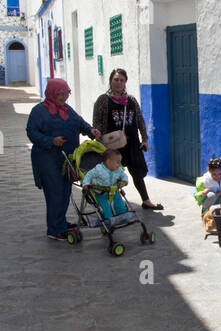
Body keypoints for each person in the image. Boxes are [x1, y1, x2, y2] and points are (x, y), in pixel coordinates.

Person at [26, 78, 100, 241]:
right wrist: (51, 141)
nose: (63, 97)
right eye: (60, 94)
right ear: (52, 93)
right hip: (47, 160)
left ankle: (60, 222)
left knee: (65, 192)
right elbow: (32, 132)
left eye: (66, 93)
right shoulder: (39, 111)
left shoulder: (66, 109)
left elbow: (79, 123)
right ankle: (54, 229)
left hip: (67, 160)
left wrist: (91, 130)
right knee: (55, 193)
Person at [93, 68, 162, 210]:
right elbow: (97, 122)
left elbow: (139, 119)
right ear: (110, 81)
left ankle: (146, 200)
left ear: (125, 82)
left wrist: (144, 138)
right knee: (113, 175)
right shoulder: (103, 100)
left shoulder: (130, 100)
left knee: (138, 173)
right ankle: (114, 204)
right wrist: (100, 142)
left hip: (132, 143)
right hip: (112, 145)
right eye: (116, 80)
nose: (118, 83)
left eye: (121, 80)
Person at [83, 148, 129, 220]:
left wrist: (124, 181)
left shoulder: (118, 169)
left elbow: (124, 175)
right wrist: (86, 183)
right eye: (118, 162)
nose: (120, 164)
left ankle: (122, 214)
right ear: (108, 162)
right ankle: (108, 219)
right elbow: (89, 175)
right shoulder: (99, 169)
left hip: (113, 191)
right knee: (105, 208)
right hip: (101, 193)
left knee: (120, 203)